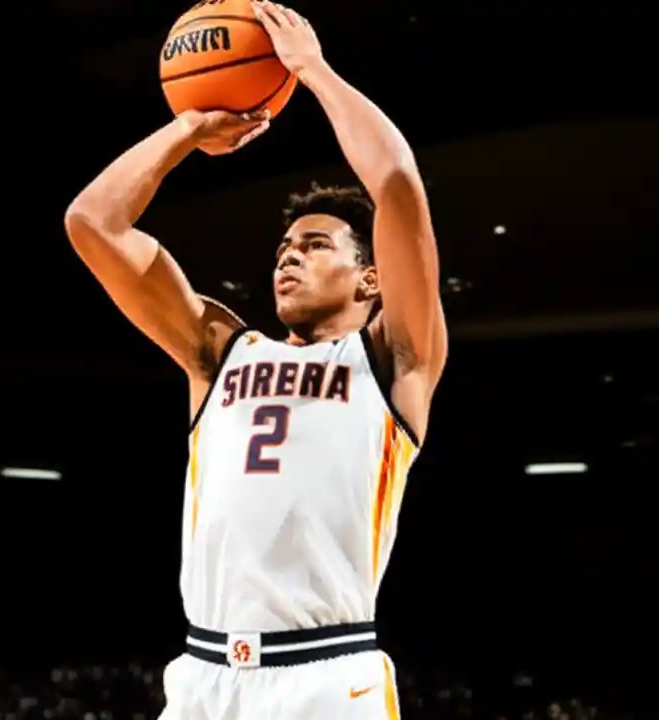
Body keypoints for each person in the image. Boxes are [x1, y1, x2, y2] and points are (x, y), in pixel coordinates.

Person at [63, 2, 447, 717]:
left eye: (315, 246)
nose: (289, 258)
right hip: (204, 674)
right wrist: (186, 129)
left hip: (327, 676)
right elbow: (92, 223)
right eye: (283, 250)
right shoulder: (218, 351)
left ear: (370, 278)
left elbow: (396, 181)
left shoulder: (394, 360)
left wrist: (313, 72)